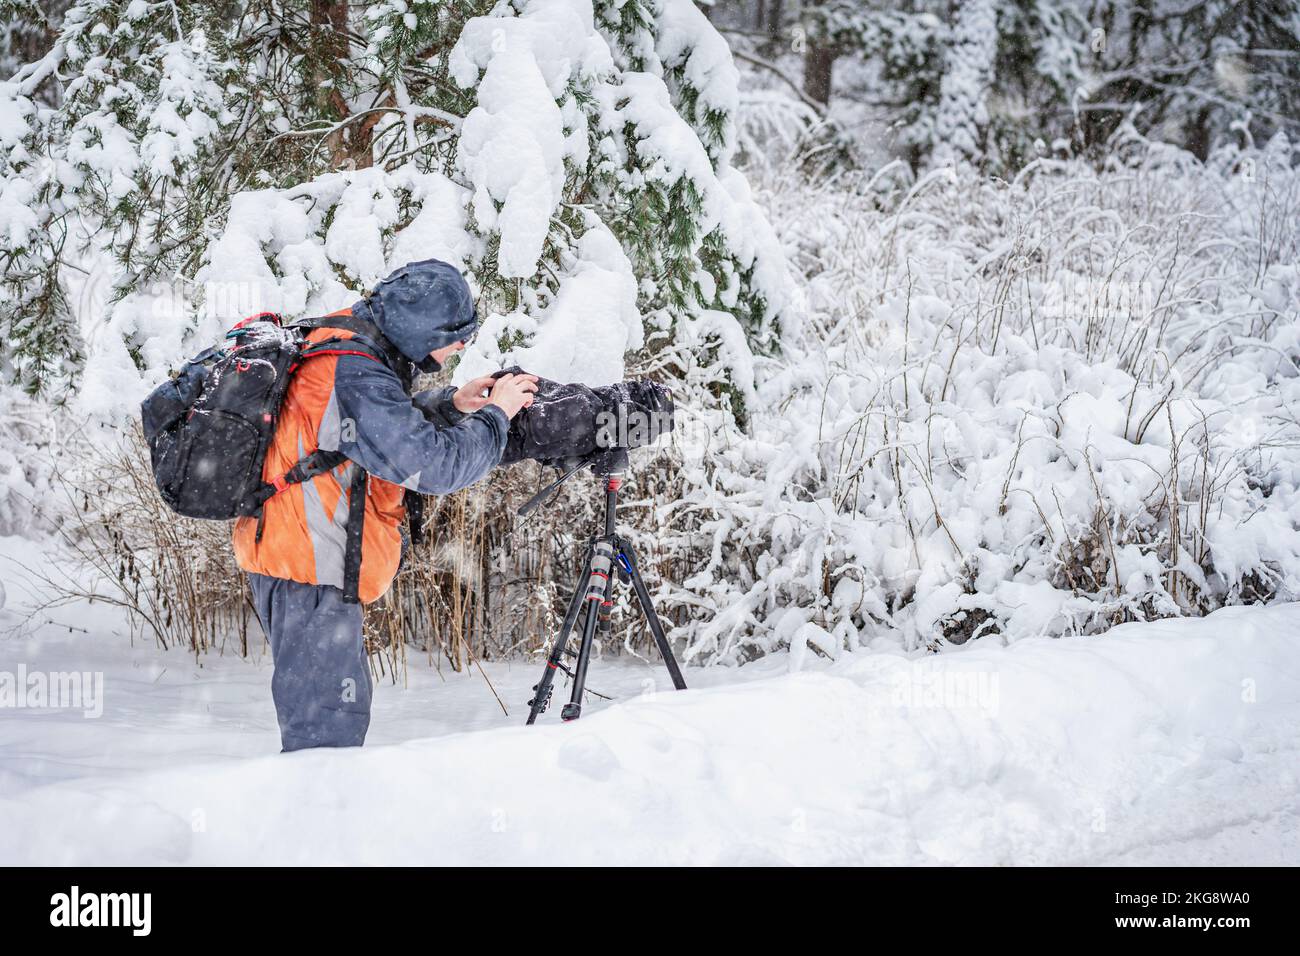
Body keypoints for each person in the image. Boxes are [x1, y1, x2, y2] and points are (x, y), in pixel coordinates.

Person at [231, 259, 537, 752]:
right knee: (324, 739)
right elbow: (434, 466)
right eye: (456, 335)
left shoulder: (350, 341)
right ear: (419, 328)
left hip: (297, 555)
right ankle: (317, 823)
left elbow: (360, 431)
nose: (461, 345)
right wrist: (498, 415)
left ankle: (324, 817)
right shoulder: (355, 368)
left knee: (331, 722)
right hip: (308, 566)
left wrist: (450, 404)